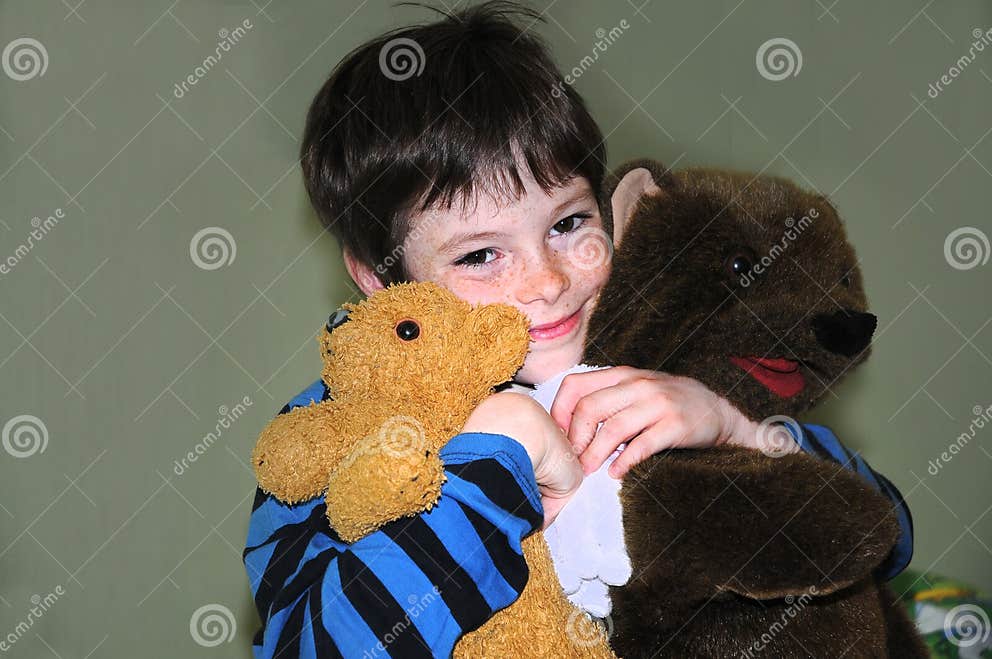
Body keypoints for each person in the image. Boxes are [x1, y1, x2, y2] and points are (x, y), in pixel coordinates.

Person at [243, 3, 913, 657]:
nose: (549, 281)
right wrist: (497, 454)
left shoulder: (657, 358)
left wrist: (735, 426)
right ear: (381, 280)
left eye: (568, 225)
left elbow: (890, 533)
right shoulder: (337, 429)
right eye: (480, 255)